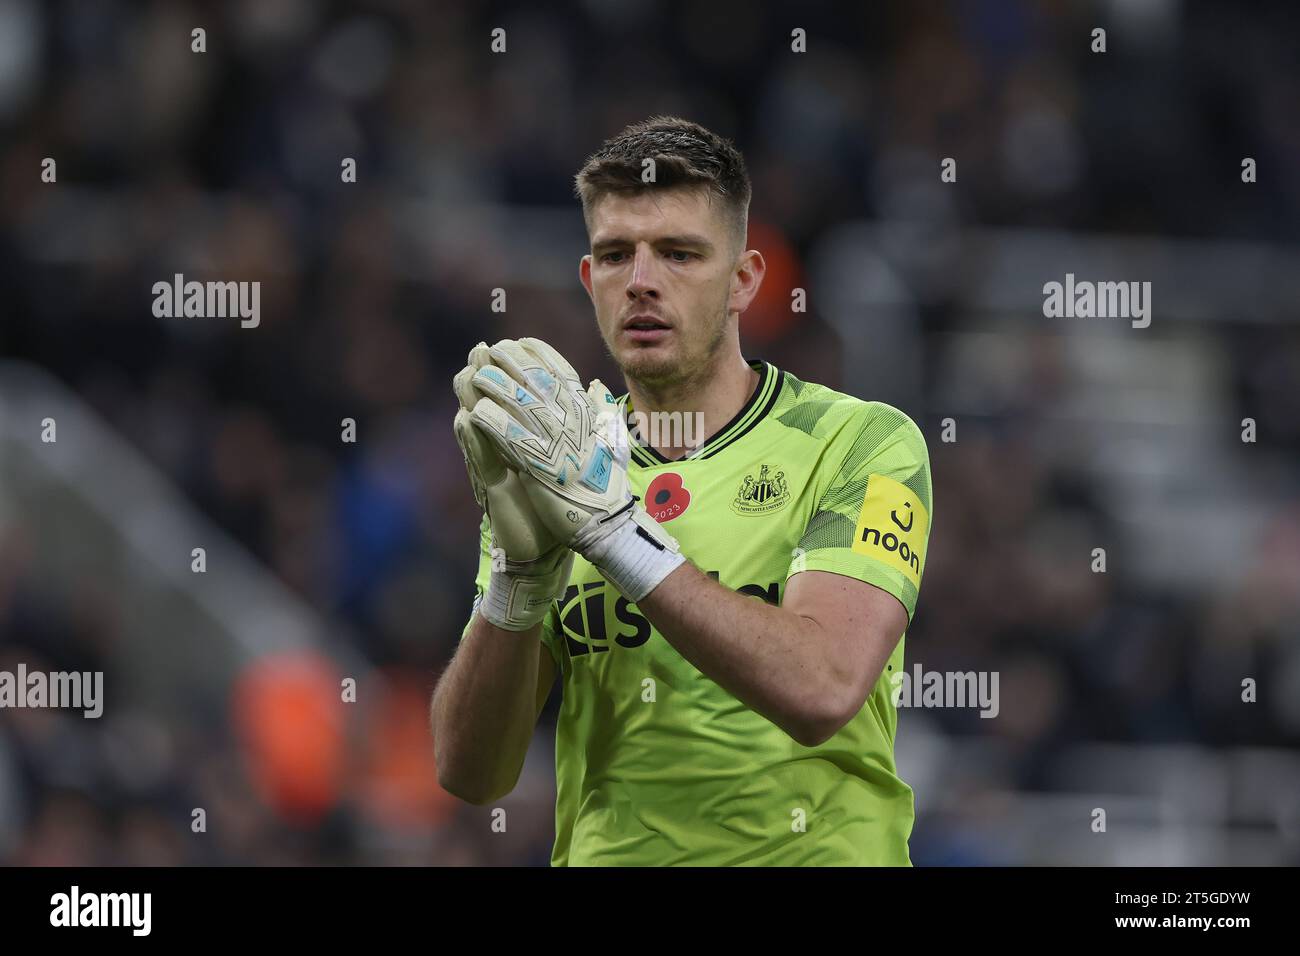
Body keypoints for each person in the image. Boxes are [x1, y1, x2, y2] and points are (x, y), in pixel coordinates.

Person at [431, 116, 933, 865]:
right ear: (589, 279)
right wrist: (519, 578)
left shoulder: (861, 442)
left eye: (678, 253)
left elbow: (824, 687)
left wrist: (613, 534)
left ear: (744, 281)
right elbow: (472, 773)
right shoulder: (557, 455)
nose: (641, 280)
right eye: (614, 255)